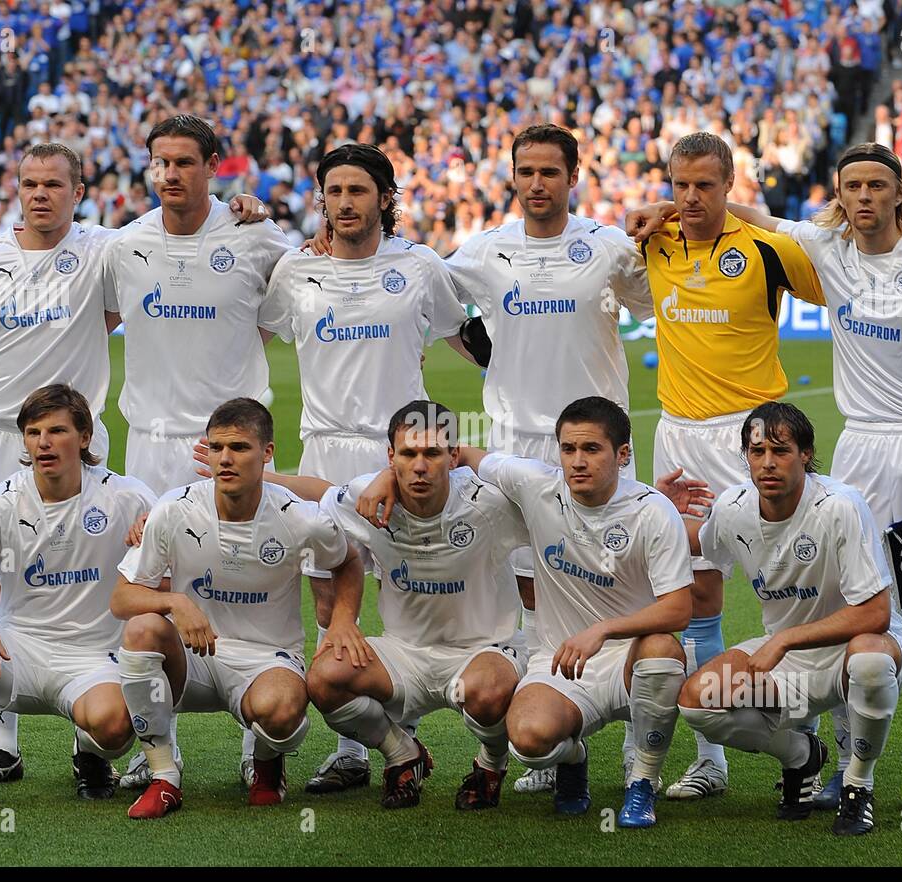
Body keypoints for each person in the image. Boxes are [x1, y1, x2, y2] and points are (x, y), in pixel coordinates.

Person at [642, 142, 902, 814]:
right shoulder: (826, 247)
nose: (864, 197)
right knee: (845, 603)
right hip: (863, 445)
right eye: (852, 186)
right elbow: (751, 214)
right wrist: (673, 206)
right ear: (839, 195)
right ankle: (844, 764)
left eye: (877, 185)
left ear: (899, 192)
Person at [361, 397, 707, 827]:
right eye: (568, 449)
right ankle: (573, 758)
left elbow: (677, 609)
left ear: (622, 454)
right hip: (561, 661)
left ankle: (642, 782)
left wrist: (602, 630)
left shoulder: (653, 510)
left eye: (592, 449)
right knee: (526, 740)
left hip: (628, 659)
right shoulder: (533, 484)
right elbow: (458, 454)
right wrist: (385, 475)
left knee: (662, 652)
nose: (577, 462)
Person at [442, 123, 657, 793]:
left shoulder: (610, 248)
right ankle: (560, 721)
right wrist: (494, 357)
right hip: (515, 444)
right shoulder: (483, 252)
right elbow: (441, 311)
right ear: (513, 177)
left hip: (594, 442)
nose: (538, 183)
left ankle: (634, 737)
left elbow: (662, 300)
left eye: (550, 172)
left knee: (619, 576)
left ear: (572, 177)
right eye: (526, 171)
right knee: (533, 587)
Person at [256, 144, 472, 794]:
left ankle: (420, 718)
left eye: (358, 189)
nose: (345, 201)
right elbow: (253, 336)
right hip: (326, 451)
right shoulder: (296, 270)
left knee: (408, 591)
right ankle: (356, 745)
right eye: (334, 190)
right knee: (330, 600)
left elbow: (466, 337)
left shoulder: (420, 265)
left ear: (384, 196)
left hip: (404, 456)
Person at [625, 132, 826, 802]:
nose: (691, 197)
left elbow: (834, 282)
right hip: (680, 437)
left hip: (753, 439)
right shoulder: (655, 239)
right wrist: (653, 214)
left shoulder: (766, 248)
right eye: (680, 185)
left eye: (705, 185)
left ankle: (818, 741)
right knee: (695, 597)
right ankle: (711, 756)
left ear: (729, 183)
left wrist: (771, 218)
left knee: (794, 588)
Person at [0, 142, 123, 782]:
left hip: (79, 438)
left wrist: (242, 212)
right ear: (15, 190)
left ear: (79, 191)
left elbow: (131, 301)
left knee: (93, 570)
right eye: (28, 183)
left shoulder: (103, 250)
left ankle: (89, 741)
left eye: (53, 183)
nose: (39, 193)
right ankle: (3, 744)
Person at [664, 401, 902, 835]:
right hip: (792, 673)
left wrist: (784, 640)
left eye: (780, 451)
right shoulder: (733, 507)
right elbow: (700, 541)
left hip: (855, 654)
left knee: (870, 662)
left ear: (806, 454)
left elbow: (875, 614)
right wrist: (660, 509)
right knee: (698, 701)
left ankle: (858, 783)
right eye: (757, 453)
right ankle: (801, 755)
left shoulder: (840, 506)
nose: (767, 463)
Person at [267, 400, 529, 810]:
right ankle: (401, 753)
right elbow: (321, 493)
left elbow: (557, 509)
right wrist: (257, 475)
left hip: (482, 652)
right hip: (404, 654)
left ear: (454, 457)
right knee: (324, 677)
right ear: (391, 457)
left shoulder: (491, 504)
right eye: (408, 454)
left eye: (432, 454)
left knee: (487, 691)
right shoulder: (370, 498)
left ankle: (491, 764)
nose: (420, 466)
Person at [111, 398, 364, 819]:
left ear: (267, 453)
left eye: (239, 448)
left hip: (265, 658)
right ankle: (163, 775)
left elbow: (348, 561)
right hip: (192, 658)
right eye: (216, 448)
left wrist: (341, 622)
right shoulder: (175, 508)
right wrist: (175, 601)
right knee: (141, 630)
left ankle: (266, 762)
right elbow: (122, 597)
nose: (225, 459)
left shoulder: (299, 517)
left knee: (281, 711)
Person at [0, 384, 156, 812]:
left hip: (94, 661)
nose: (43, 443)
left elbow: (181, 539)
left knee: (114, 726)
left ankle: (90, 756)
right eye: (33, 433)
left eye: (57, 431)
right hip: (19, 657)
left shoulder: (127, 497)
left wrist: (154, 527)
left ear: (85, 437)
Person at [102, 114, 290, 497]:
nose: (170, 174)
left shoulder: (255, 235)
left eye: (184, 163)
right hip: (149, 444)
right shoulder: (124, 245)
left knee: (238, 555)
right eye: (160, 163)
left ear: (212, 166)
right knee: (152, 555)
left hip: (232, 442)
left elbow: (304, 298)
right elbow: (94, 325)